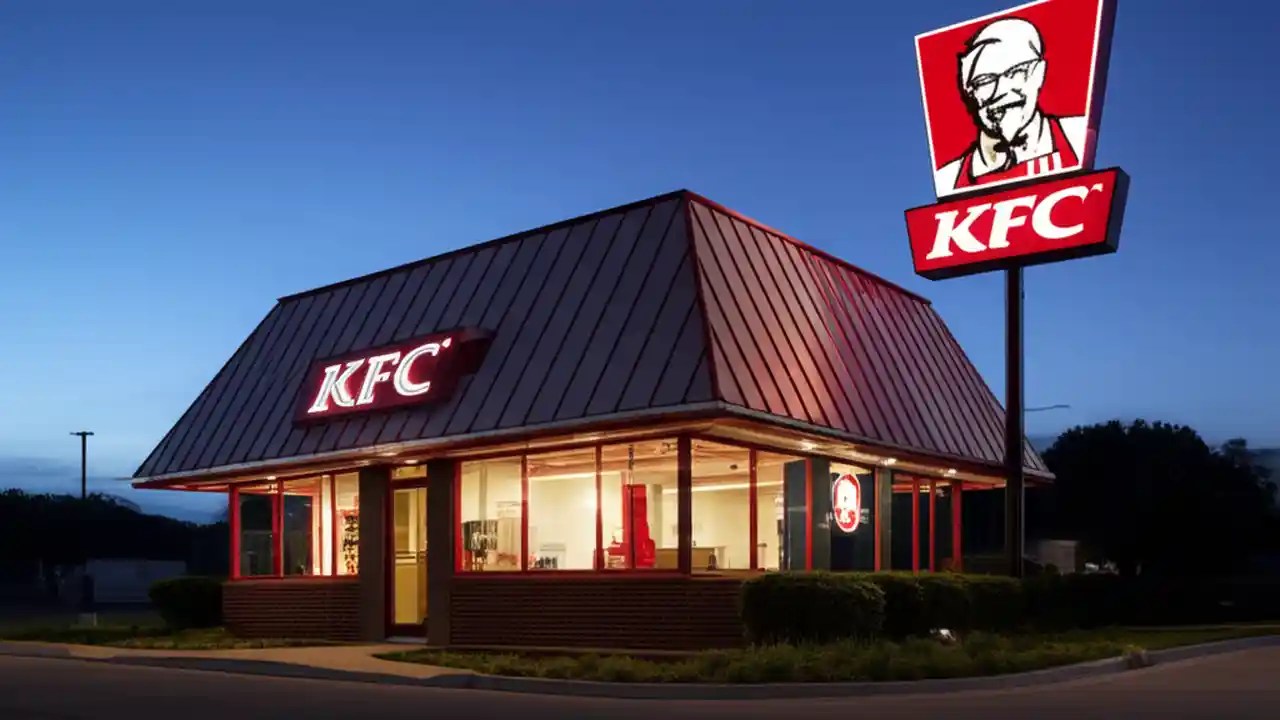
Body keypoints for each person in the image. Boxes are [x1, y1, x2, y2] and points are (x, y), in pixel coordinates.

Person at [936, 17, 1088, 193]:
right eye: (985, 81)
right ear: (971, 93)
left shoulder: (1079, 135)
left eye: (1016, 72)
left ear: (1039, 73)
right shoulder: (948, 179)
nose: (1001, 91)